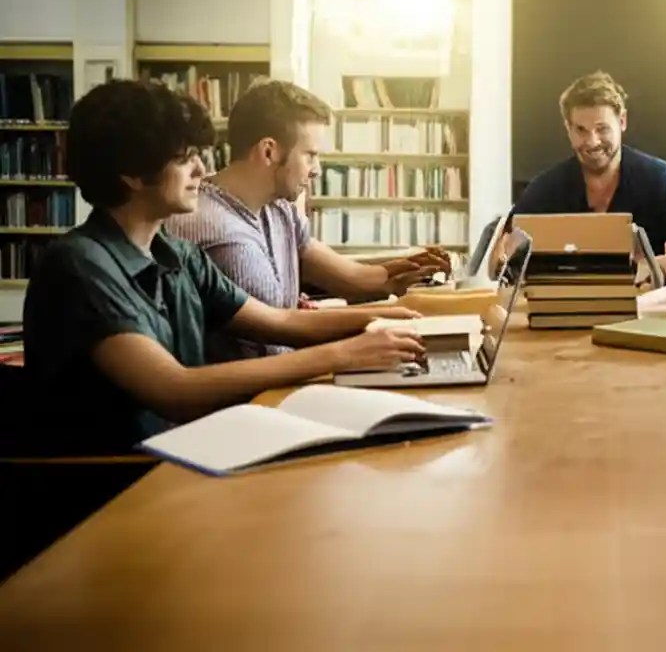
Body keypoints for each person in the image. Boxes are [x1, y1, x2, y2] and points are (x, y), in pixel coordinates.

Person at [22, 80, 427, 453]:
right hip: (113, 484)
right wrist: (343, 355)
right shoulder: (79, 266)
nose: (201, 171)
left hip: (186, 455)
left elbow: (280, 323)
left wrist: (404, 317)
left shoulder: (178, 254)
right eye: (184, 160)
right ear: (131, 174)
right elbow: (175, 389)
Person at [165, 80, 451, 360]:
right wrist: (398, 313)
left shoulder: (277, 208)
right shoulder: (221, 234)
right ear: (268, 151)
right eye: (310, 155)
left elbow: (352, 277)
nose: (316, 170)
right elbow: (283, 328)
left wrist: (405, 268)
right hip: (258, 395)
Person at [498, 71, 666, 277]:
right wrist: (503, 257)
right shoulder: (544, 188)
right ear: (567, 129)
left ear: (622, 121)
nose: (592, 141)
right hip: (564, 307)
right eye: (581, 130)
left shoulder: (661, 179)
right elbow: (500, 260)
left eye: (602, 128)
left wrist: (649, 268)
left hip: (643, 306)